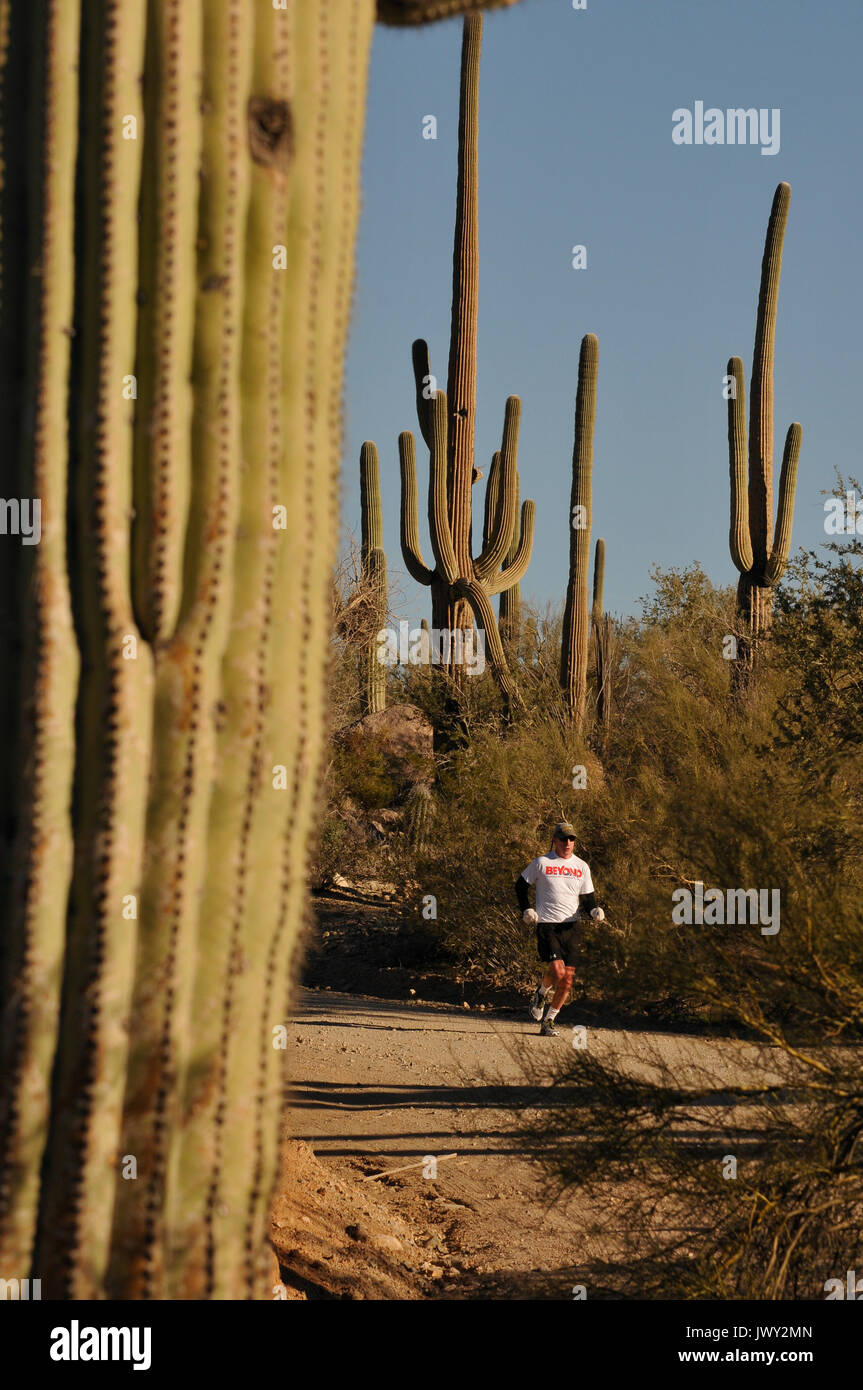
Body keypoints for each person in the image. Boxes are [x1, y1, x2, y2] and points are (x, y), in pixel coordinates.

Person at [514, 821, 605, 1037]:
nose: (567, 843)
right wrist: (526, 909)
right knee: (557, 971)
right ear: (554, 839)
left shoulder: (582, 866)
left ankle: (549, 1021)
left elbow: (588, 897)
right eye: (563, 838)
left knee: (567, 980)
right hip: (547, 924)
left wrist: (594, 911)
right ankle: (541, 993)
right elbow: (520, 885)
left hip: (572, 927)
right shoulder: (542, 862)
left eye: (571, 839)